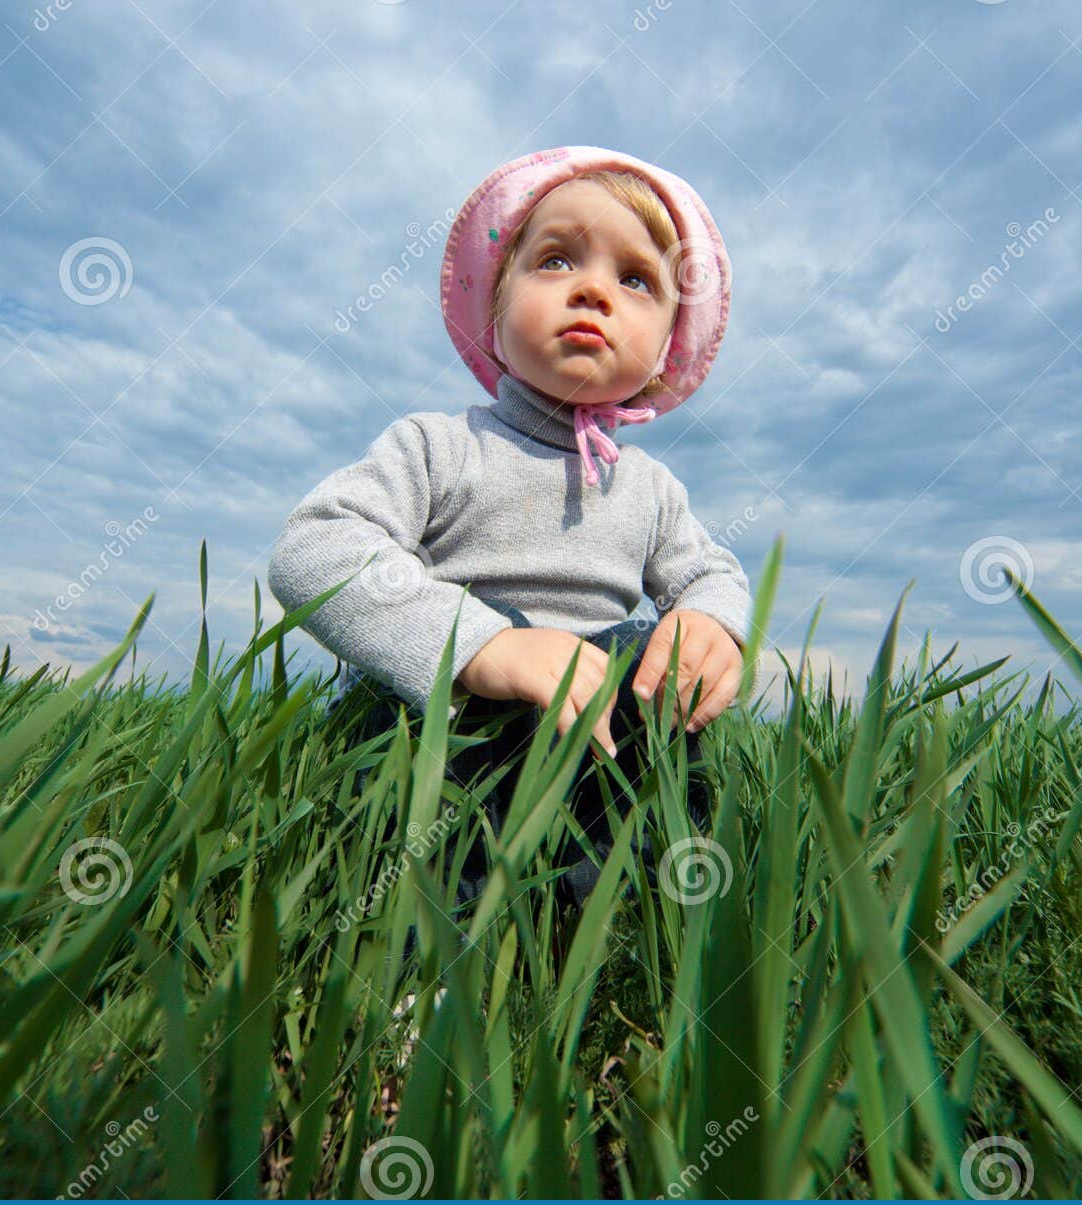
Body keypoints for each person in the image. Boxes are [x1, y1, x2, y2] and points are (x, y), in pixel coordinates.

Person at [267, 145, 753, 909]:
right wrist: (482, 645)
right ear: (496, 306)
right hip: (459, 730)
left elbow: (710, 572)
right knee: (411, 737)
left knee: (636, 661)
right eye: (556, 260)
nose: (594, 290)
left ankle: (623, 922)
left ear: (663, 352)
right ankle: (422, 952)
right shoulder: (440, 445)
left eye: (635, 279)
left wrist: (708, 624)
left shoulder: (651, 489)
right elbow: (315, 545)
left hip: (592, 742)